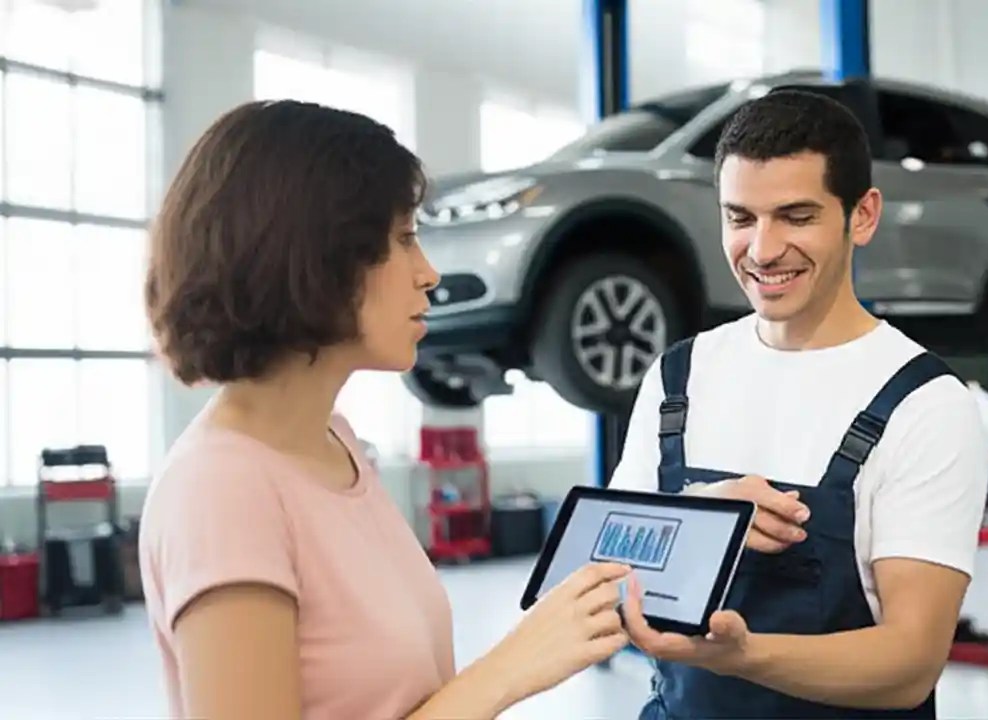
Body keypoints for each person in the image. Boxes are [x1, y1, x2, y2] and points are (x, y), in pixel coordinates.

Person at [138, 100, 632, 720]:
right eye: (403, 240)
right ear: (316, 254)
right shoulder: (223, 490)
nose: (428, 274)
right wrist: (508, 671)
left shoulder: (335, 443)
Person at [608, 89, 988, 718]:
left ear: (862, 216)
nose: (762, 250)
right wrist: (695, 515)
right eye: (741, 218)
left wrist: (743, 656)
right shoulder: (679, 375)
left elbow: (910, 664)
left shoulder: (924, 405)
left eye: (796, 216)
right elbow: (603, 573)